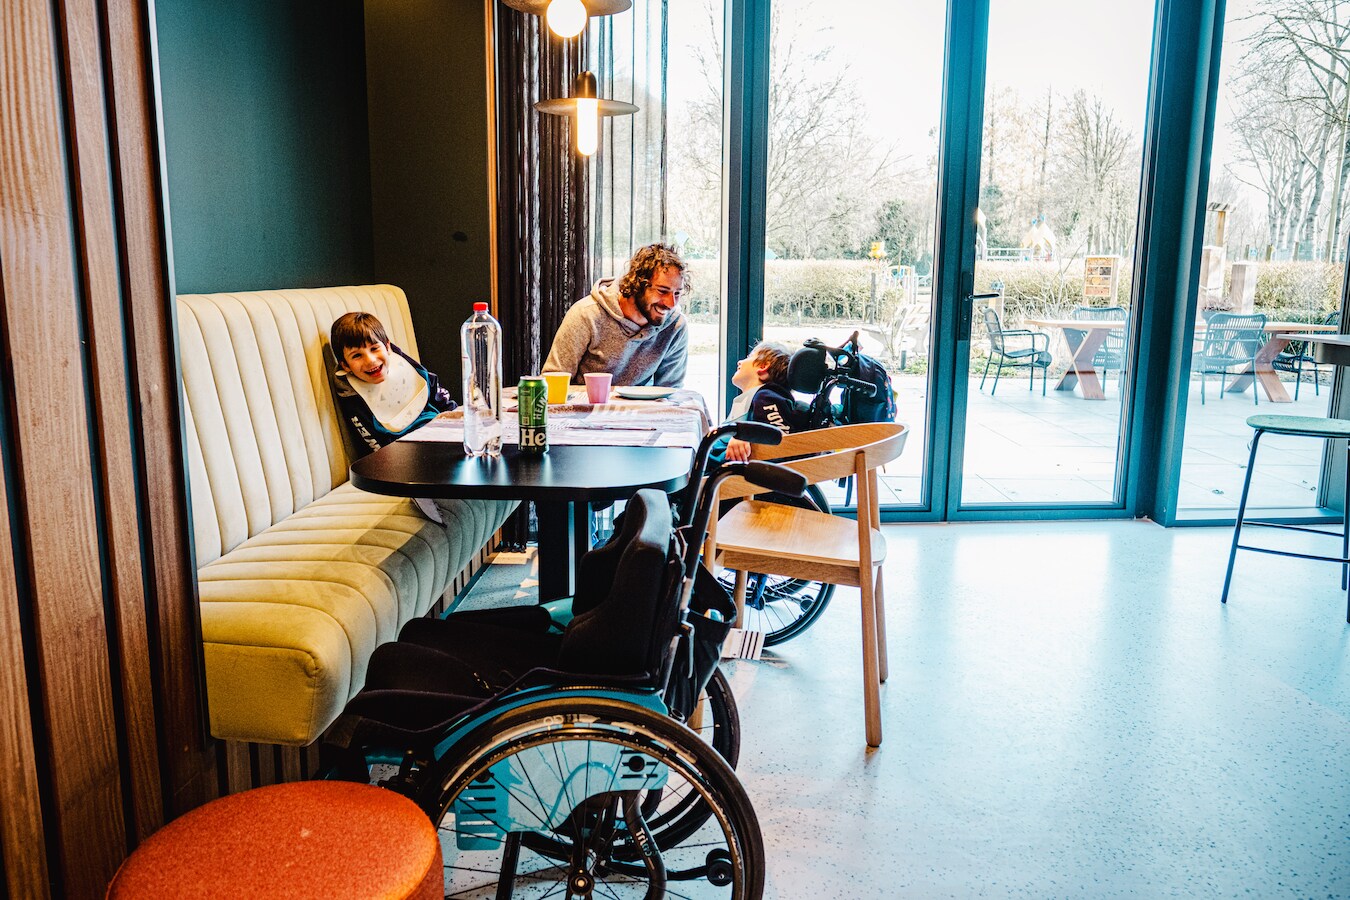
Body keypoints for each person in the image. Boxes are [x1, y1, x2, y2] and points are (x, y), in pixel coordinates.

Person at [329, 311, 460, 524]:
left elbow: (429, 384)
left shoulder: (398, 359)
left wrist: (455, 415)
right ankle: (422, 492)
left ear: (388, 347)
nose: (370, 360)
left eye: (374, 349)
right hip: (402, 448)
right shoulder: (352, 394)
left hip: (436, 428)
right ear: (345, 365)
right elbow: (372, 444)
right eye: (357, 356)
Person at [543, 243, 690, 388]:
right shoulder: (586, 314)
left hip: (642, 411)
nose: (671, 303)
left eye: (677, 293)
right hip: (587, 409)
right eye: (662, 291)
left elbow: (670, 392)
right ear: (638, 285)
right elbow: (552, 383)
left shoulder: (675, 325)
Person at [721, 341, 806, 462]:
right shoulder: (758, 396)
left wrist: (745, 435)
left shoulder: (766, 397)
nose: (740, 361)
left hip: (730, 473)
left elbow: (778, 440)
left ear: (762, 367)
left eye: (749, 357)